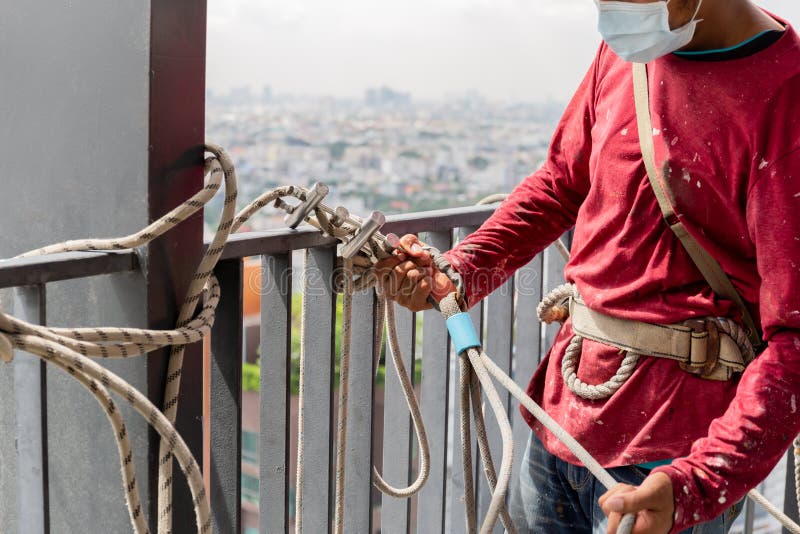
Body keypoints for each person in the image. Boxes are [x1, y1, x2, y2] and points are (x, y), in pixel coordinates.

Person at [375, 0, 800, 532]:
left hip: (669, 455)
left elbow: (794, 337)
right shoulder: (636, 51)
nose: (610, 11)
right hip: (561, 419)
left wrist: (698, 485)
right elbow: (560, 183)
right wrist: (459, 272)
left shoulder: (785, 99)